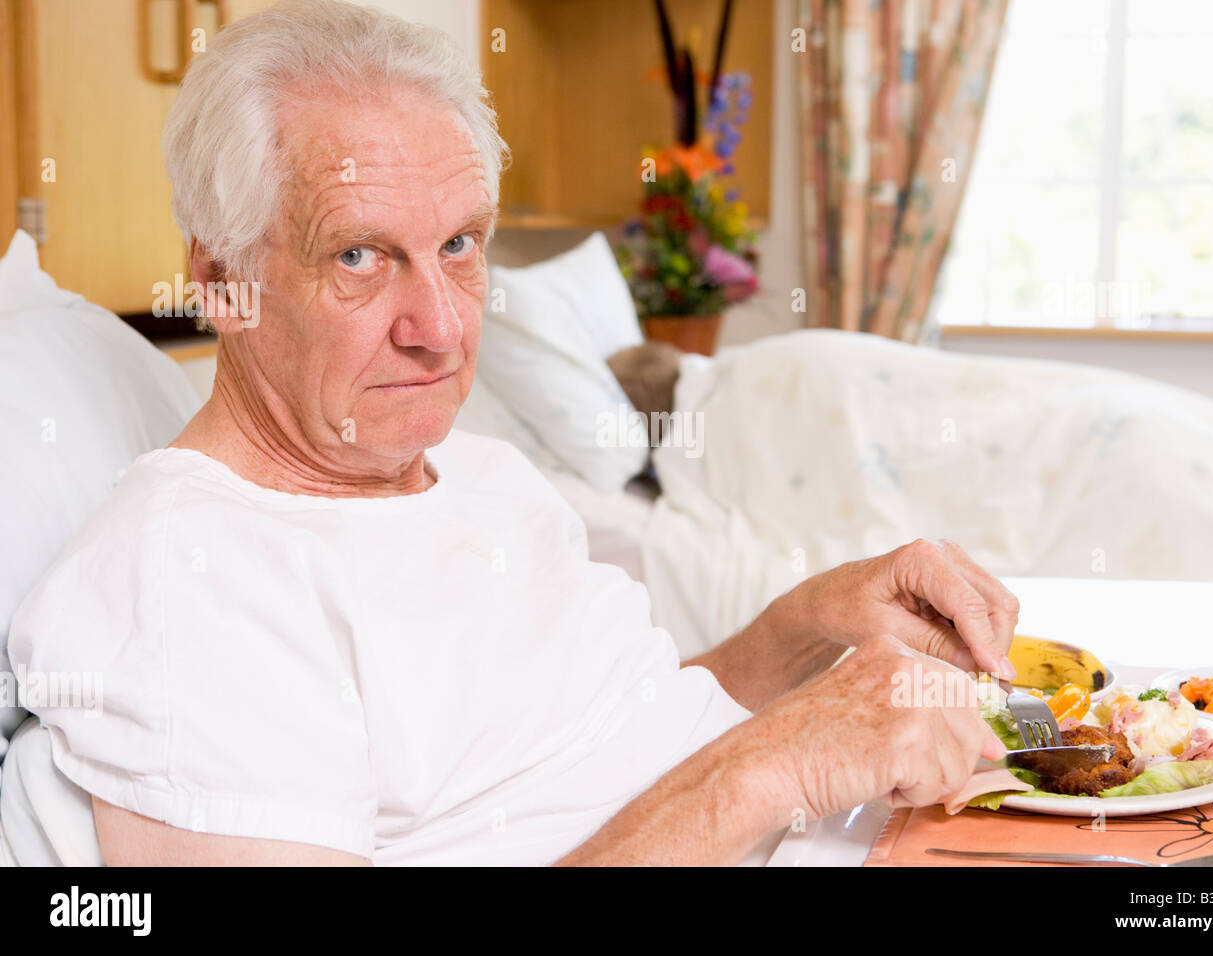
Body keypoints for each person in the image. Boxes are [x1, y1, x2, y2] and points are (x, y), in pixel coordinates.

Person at [6, 0, 1018, 866]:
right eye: (360, 255)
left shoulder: (476, 474)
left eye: (457, 244)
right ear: (224, 281)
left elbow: (614, 735)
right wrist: (777, 764)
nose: (441, 327)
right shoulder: (186, 583)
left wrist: (806, 624)